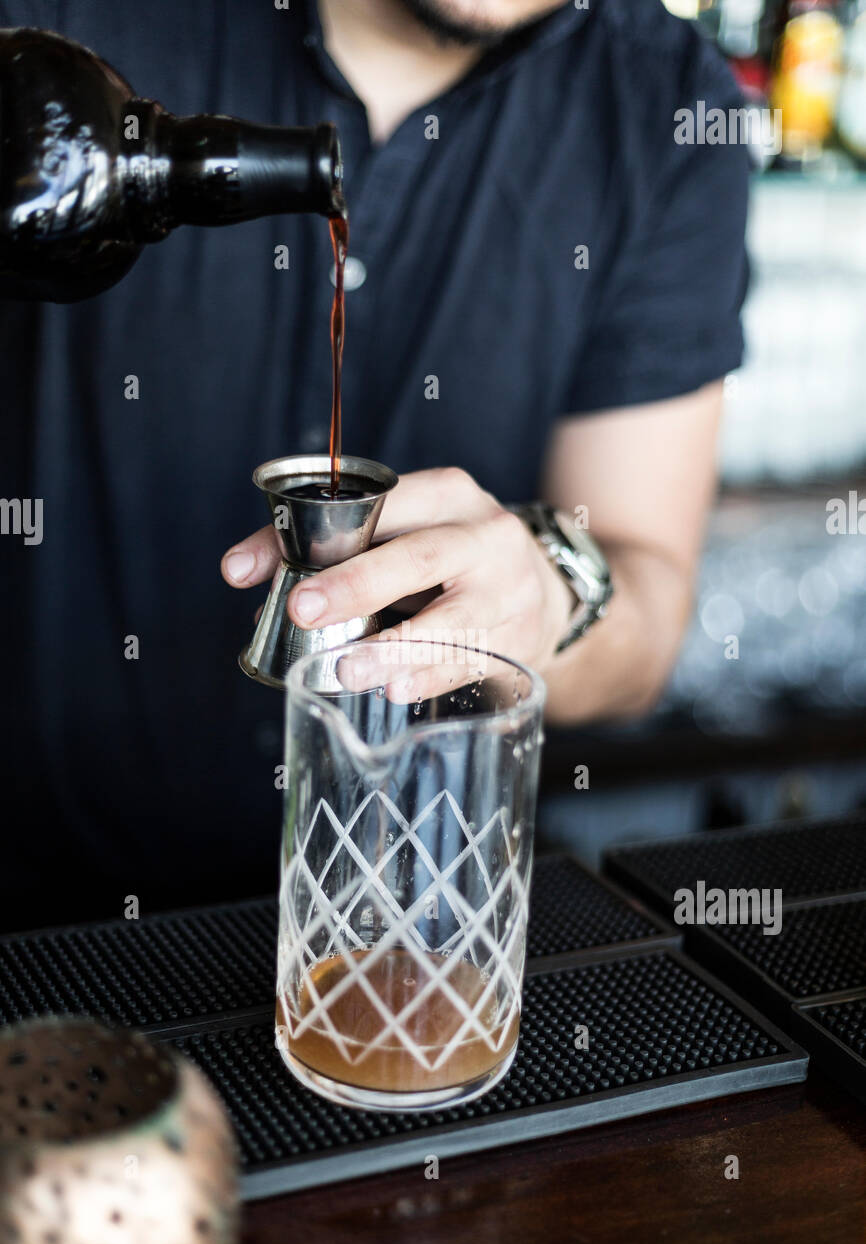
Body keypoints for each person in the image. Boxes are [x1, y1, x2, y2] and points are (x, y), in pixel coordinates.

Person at [0, 0, 749, 927]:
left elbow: (649, 610)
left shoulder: (666, 107)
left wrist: (550, 597)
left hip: (419, 922)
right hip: (36, 914)